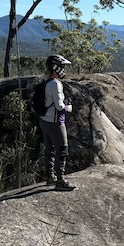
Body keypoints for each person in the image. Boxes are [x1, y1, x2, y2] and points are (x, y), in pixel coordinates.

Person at [38, 54, 76, 191]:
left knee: (50, 149)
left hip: (44, 121)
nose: (63, 70)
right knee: (62, 149)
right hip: (55, 122)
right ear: (56, 67)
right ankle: (60, 181)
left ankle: (50, 177)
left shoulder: (45, 81)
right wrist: (68, 108)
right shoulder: (55, 84)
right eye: (62, 67)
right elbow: (60, 106)